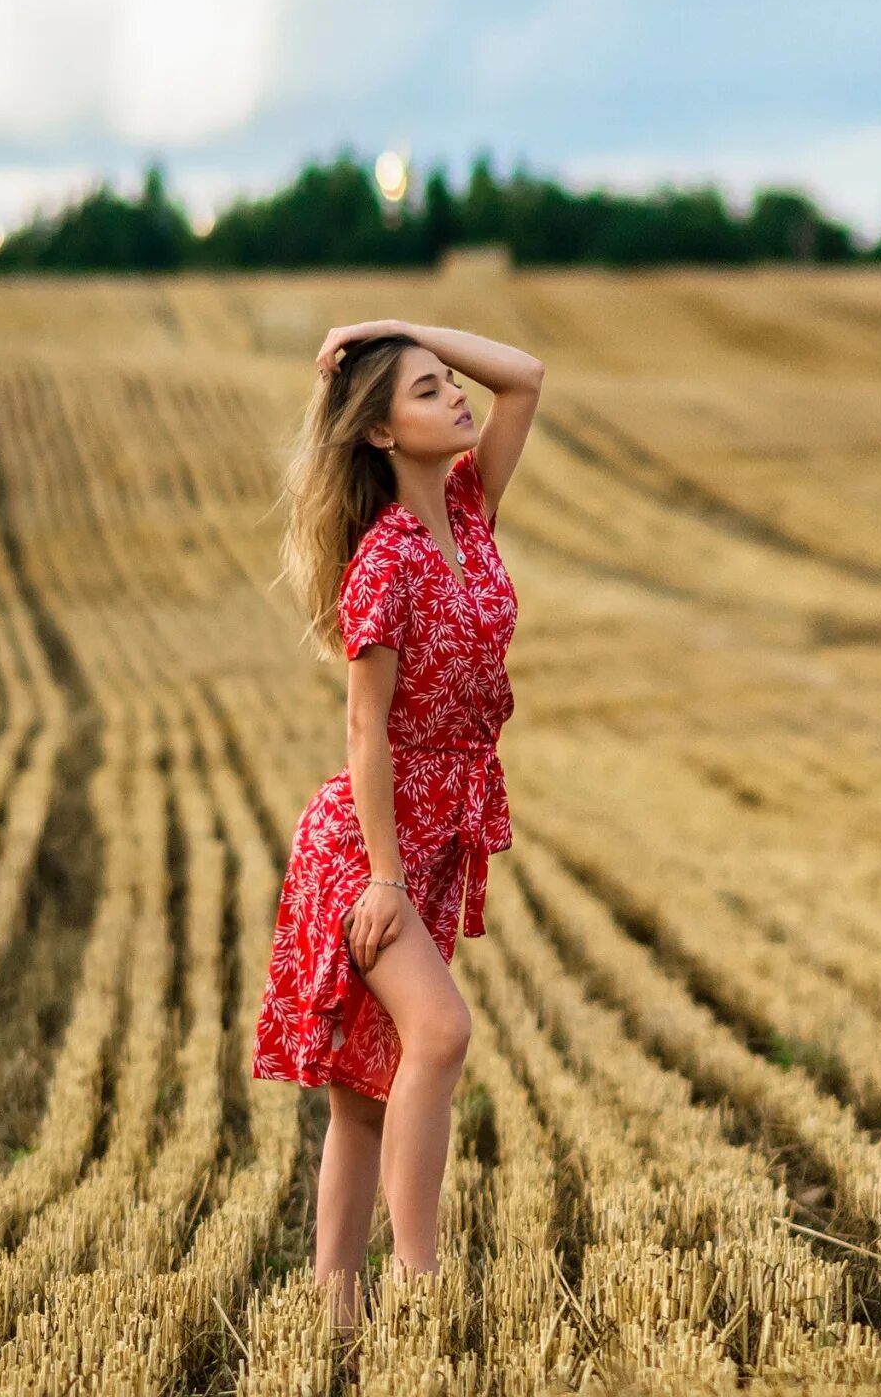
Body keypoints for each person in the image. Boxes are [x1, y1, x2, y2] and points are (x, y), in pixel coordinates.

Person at [250, 315, 543, 1341]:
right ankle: (419, 1286)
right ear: (379, 433)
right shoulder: (385, 561)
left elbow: (526, 377)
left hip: (429, 837)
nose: (456, 394)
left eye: (444, 382)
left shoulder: (468, 511)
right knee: (442, 1031)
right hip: (363, 847)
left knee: (365, 1098)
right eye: (426, 390)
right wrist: (381, 874)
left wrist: (406, 329)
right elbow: (362, 727)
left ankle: (335, 1312)